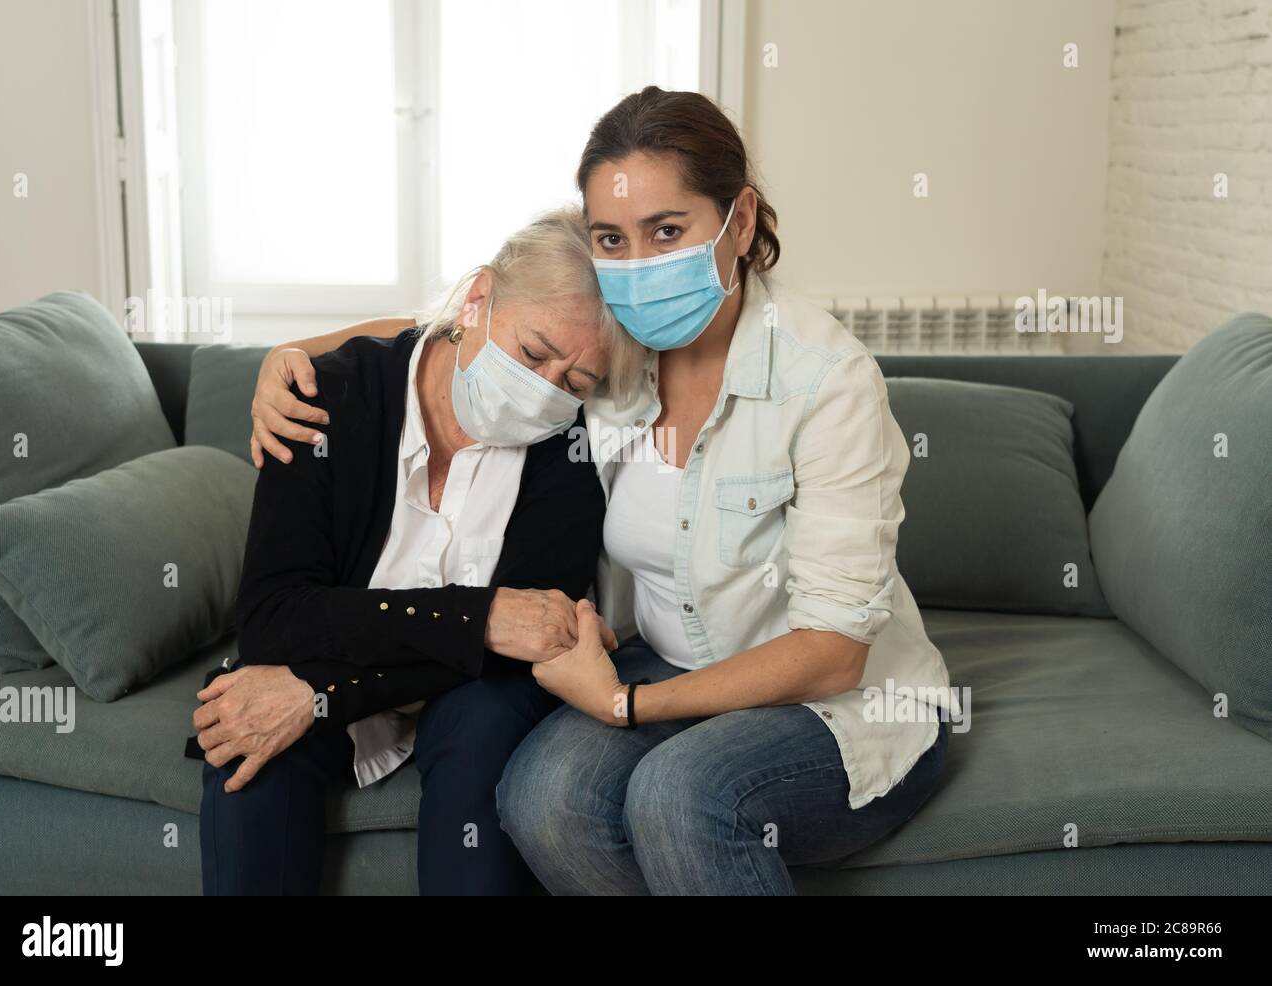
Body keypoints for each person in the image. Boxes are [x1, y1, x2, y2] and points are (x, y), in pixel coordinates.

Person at [251, 88, 954, 896]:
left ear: (741, 221)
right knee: (543, 801)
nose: (640, 265)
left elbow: (832, 653)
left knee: (679, 794)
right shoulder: (612, 359)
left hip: (837, 702)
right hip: (669, 661)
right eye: (613, 239)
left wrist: (625, 705)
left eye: (668, 231)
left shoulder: (827, 381)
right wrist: (291, 355)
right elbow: (463, 323)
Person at [186, 207, 643, 895]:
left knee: (484, 727)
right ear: (478, 299)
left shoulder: (574, 451)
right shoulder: (324, 397)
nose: (545, 390)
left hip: (470, 686)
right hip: (345, 655)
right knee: (244, 748)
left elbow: (525, 639)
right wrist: (477, 618)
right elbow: (275, 619)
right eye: (532, 353)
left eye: (575, 383)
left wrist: (319, 691)